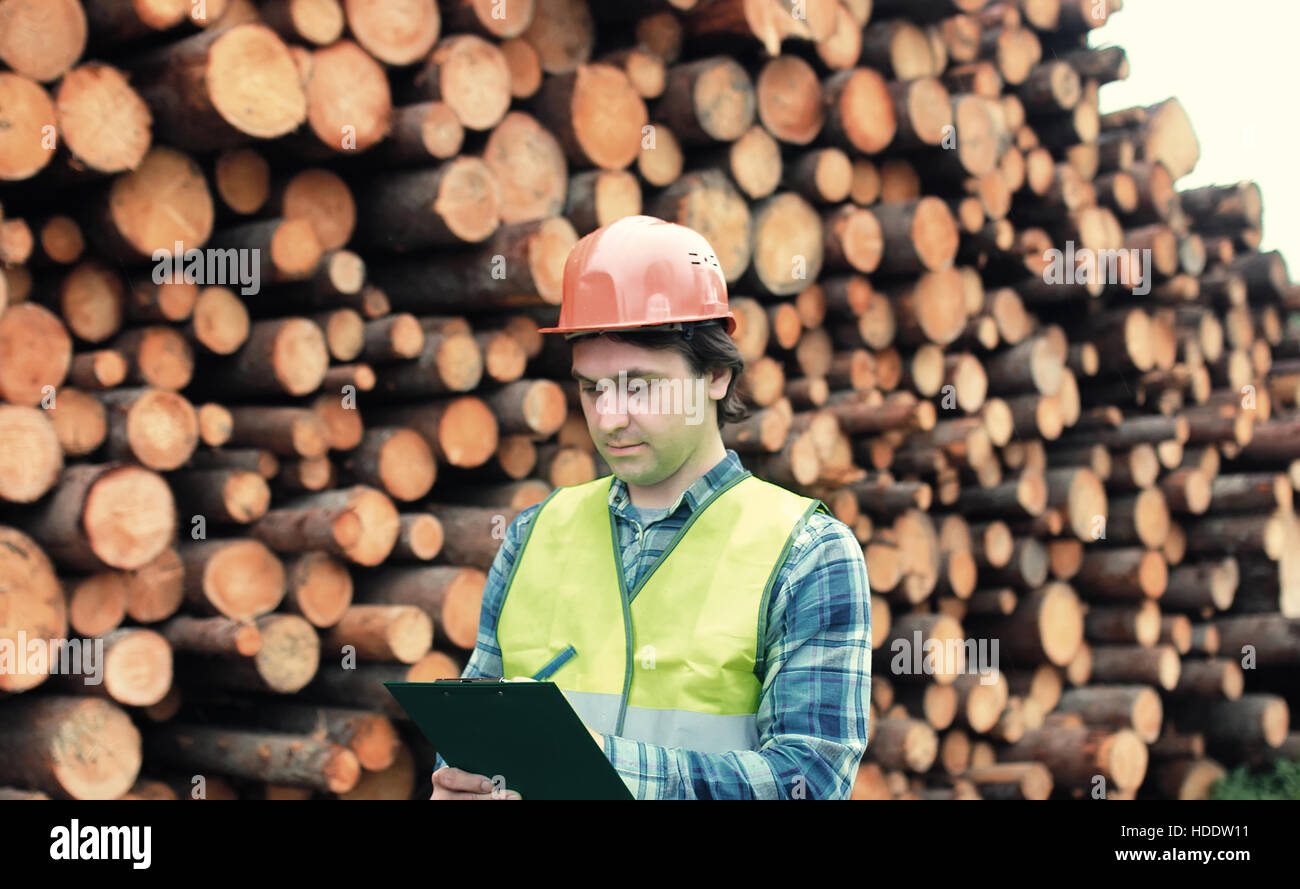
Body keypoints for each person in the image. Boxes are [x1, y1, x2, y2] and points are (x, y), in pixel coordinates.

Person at [430, 215, 871, 800]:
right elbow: (471, 737)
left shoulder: (808, 552)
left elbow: (810, 781)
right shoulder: (533, 535)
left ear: (714, 374)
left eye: (639, 385)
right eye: (592, 389)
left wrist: (584, 767)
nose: (610, 417)